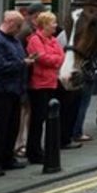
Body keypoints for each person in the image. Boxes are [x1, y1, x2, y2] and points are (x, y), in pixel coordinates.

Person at [0, 10, 30, 176]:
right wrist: (22, 63)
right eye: (18, 26)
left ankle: (7, 158)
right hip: (0, 90)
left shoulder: (13, 40)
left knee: (12, 127)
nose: (20, 30)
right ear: (11, 23)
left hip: (14, 89)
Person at [25, 11, 66, 164]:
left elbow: (61, 57)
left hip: (52, 83)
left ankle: (43, 149)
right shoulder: (35, 40)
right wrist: (54, 59)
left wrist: (53, 59)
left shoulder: (53, 40)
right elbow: (42, 58)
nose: (55, 25)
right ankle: (33, 152)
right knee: (38, 120)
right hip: (39, 85)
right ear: (44, 25)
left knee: (49, 119)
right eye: (53, 23)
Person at [14, 2, 48, 157]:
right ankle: (20, 144)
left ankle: (23, 143)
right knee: (24, 111)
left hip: (26, 77)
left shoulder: (30, 29)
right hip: (23, 78)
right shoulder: (26, 31)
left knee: (27, 111)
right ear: (36, 16)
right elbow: (20, 54)